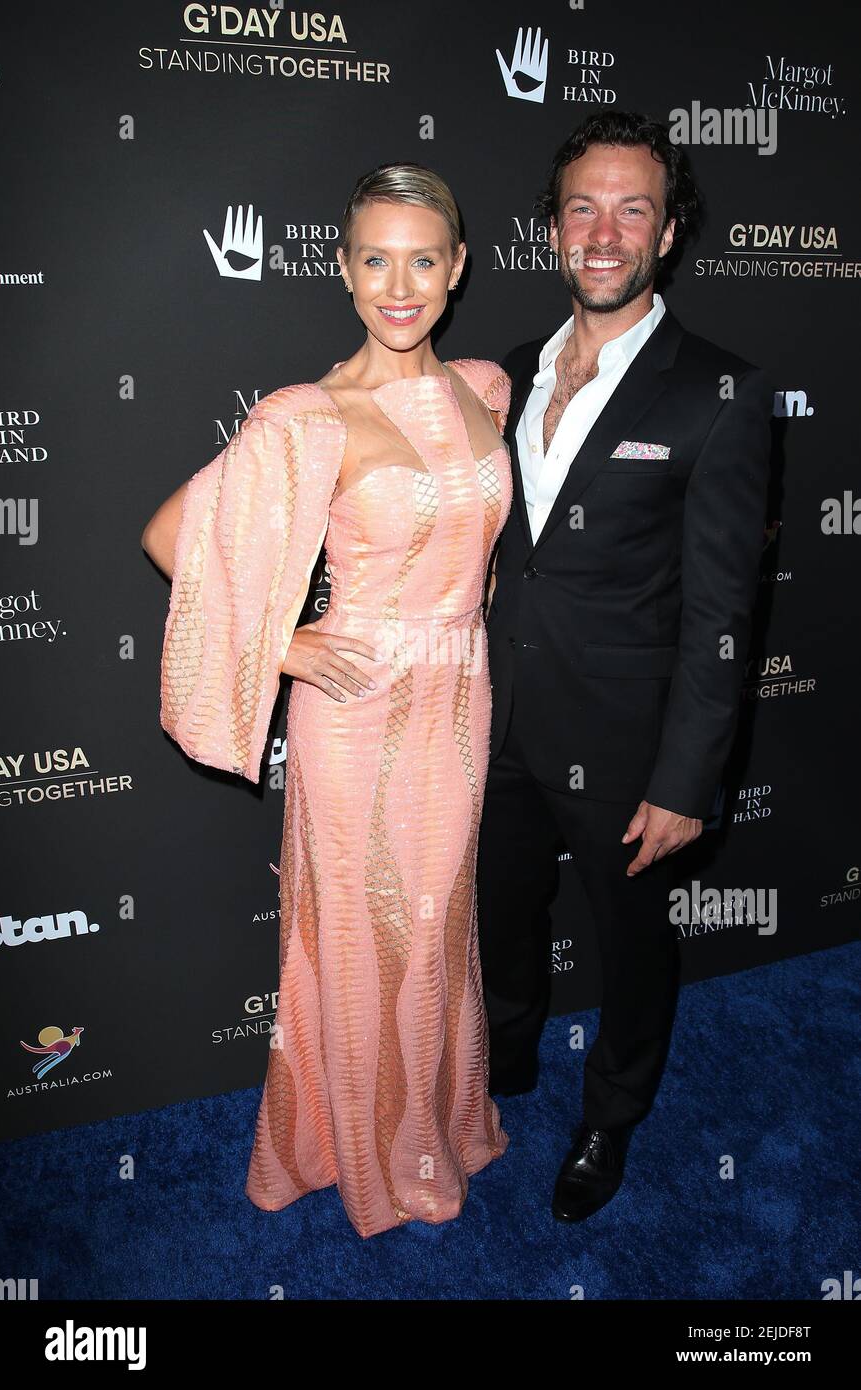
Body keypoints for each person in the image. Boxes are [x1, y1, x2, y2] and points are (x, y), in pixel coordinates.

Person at [141, 163, 512, 1240]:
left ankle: (439, 1121)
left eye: (422, 260)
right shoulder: (306, 418)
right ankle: (362, 1157)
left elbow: (474, 549)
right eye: (373, 259)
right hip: (354, 716)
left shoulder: (483, 388)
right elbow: (172, 536)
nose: (398, 284)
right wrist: (284, 644)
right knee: (355, 930)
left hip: (457, 700)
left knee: (437, 922)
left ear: (456, 270)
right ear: (344, 270)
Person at [477, 112, 774, 1222]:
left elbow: (721, 612)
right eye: (580, 208)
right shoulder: (504, 375)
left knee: (632, 949)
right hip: (493, 726)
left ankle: (611, 1115)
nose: (602, 233)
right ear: (551, 227)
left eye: (631, 208)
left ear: (668, 228)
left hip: (626, 743)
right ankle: (504, 1068)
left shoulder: (721, 393)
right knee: (499, 919)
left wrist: (684, 778)